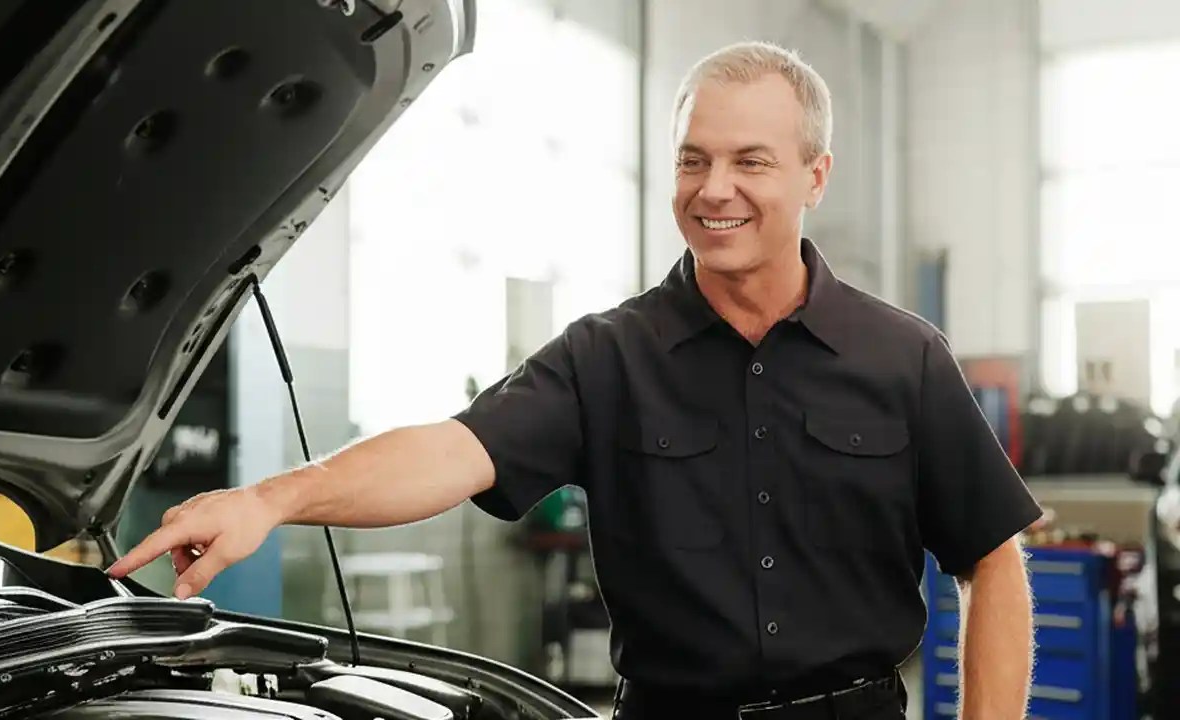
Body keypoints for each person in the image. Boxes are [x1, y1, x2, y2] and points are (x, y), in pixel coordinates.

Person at [109, 40, 1041, 719]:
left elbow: (990, 561)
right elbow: (452, 451)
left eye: (751, 161)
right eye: (692, 159)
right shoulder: (607, 356)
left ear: (815, 176)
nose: (714, 189)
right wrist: (277, 497)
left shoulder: (902, 357)